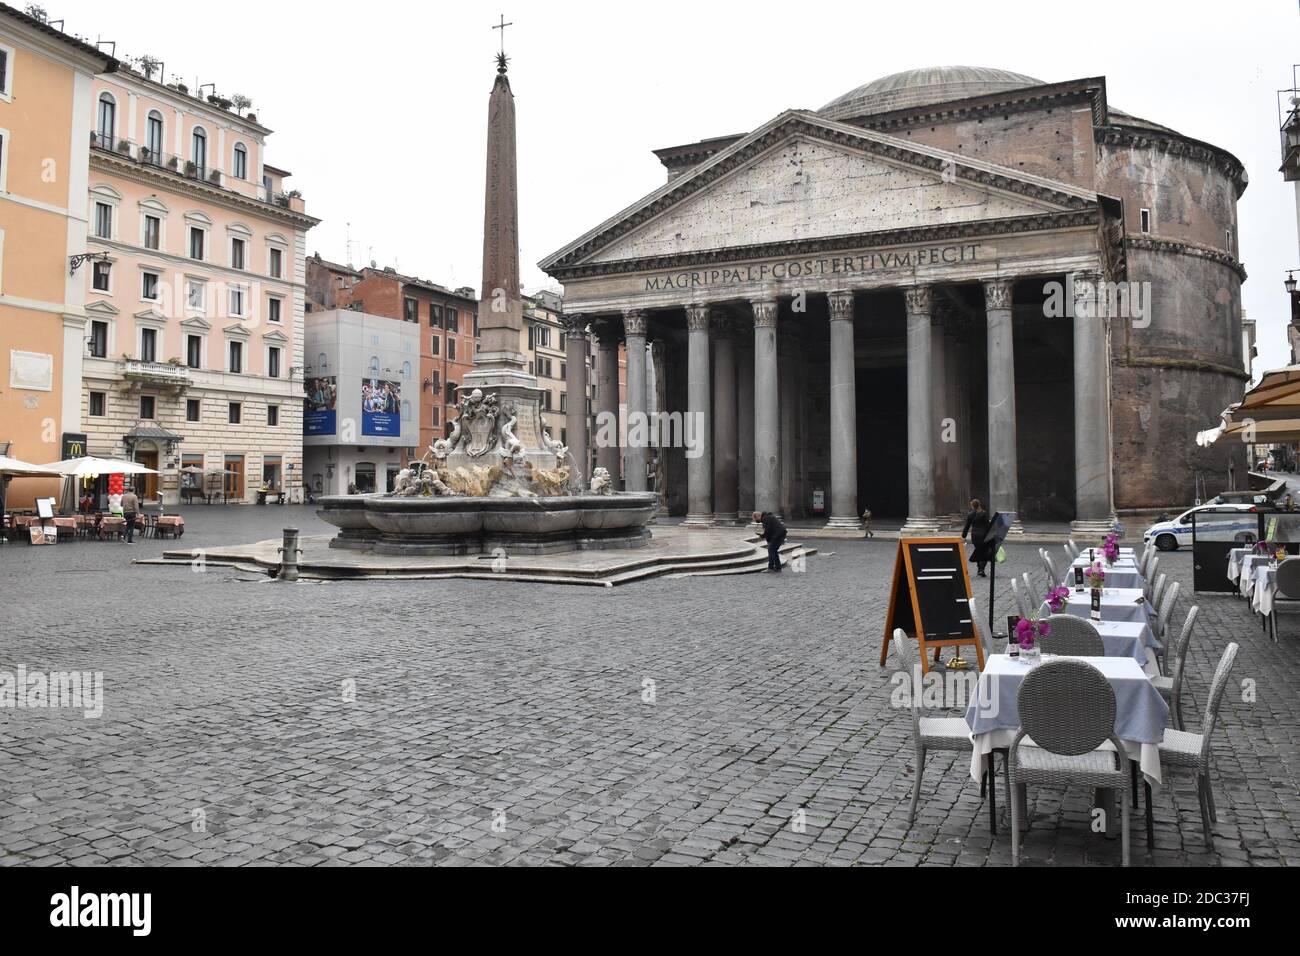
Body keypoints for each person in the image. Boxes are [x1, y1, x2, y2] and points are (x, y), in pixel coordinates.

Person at [962, 498, 992, 577]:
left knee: (979, 551)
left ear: (972, 506)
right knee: (984, 552)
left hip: (974, 536)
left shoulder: (970, 514)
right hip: (983, 535)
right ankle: (981, 569)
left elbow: (967, 526)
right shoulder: (984, 513)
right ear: (979, 505)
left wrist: (963, 536)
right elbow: (987, 526)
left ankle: (979, 569)